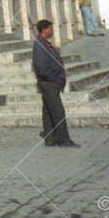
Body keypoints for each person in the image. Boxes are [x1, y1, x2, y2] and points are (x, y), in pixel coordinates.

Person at [33, 19, 79, 147]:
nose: (52, 31)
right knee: (58, 112)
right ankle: (63, 140)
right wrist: (55, 79)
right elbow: (41, 67)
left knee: (48, 112)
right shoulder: (40, 45)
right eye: (50, 29)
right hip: (49, 83)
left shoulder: (45, 43)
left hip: (50, 83)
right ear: (44, 30)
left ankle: (50, 138)